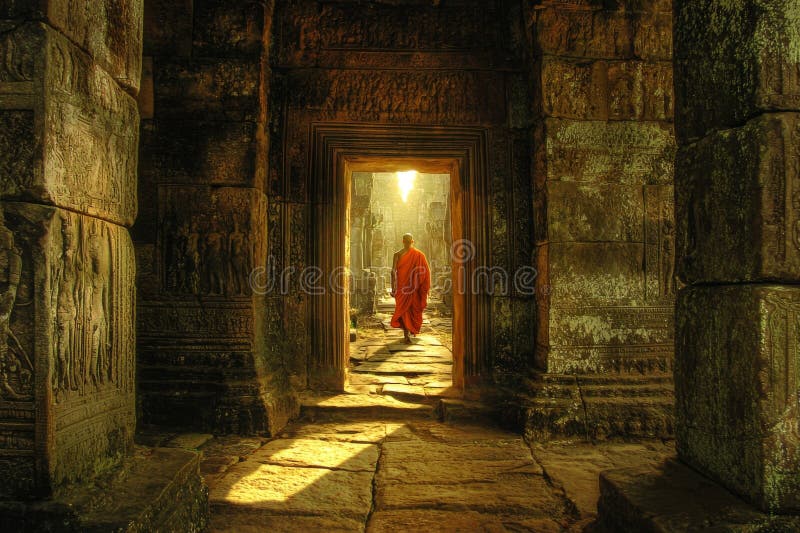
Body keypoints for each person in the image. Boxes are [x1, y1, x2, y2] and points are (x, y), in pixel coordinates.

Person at [390, 233, 431, 343]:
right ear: (403, 241)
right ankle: (406, 334)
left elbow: (425, 271)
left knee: (413, 309)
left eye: (409, 241)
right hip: (402, 287)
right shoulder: (397, 255)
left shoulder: (418, 255)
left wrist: (423, 285)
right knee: (402, 310)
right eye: (406, 241)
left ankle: (409, 330)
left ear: (412, 242)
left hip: (414, 288)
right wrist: (393, 287)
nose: (408, 243)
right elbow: (393, 271)